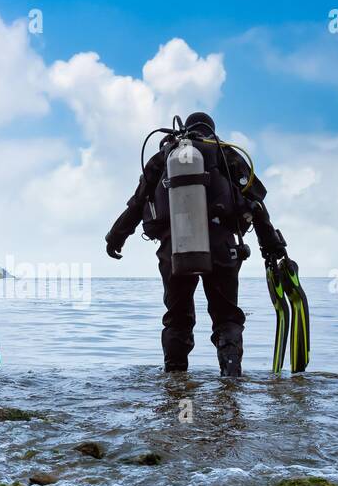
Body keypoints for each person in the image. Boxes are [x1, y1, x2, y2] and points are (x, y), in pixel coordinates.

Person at [105, 111, 303, 376]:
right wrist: (274, 248)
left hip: (174, 249)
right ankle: (231, 381)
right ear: (212, 129)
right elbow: (256, 204)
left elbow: (137, 202)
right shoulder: (224, 154)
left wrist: (115, 237)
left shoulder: (164, 157)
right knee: (226, 317)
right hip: (222, 247)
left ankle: (175, 381)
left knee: (177, 319)